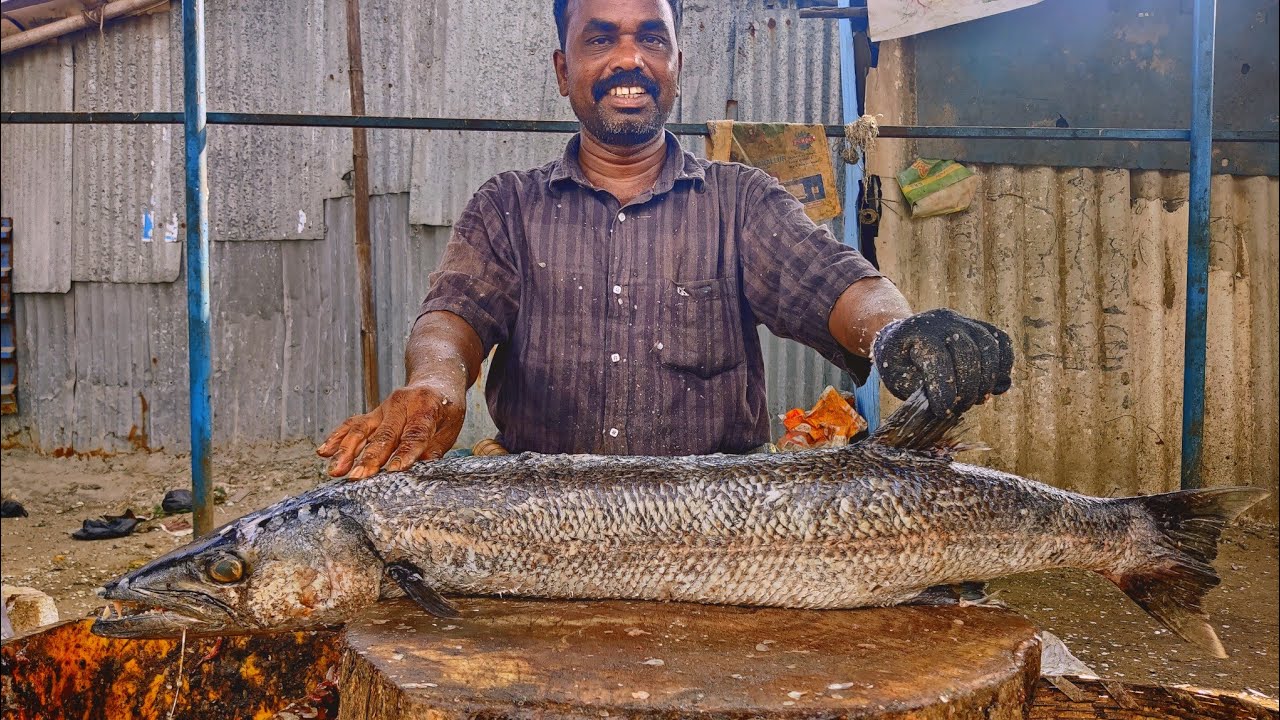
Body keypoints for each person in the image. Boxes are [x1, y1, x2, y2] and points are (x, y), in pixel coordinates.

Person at [319, 0, 1013, 479]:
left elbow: (834, 284)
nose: (630, 59)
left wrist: (897, 332)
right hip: (539, 516)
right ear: (564, 71)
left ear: (676, 61)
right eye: (601, 39)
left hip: (715, 524)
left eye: (651, 38)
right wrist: (434, 384)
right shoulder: (508, 205)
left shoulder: (740, 200)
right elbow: (453, 319)